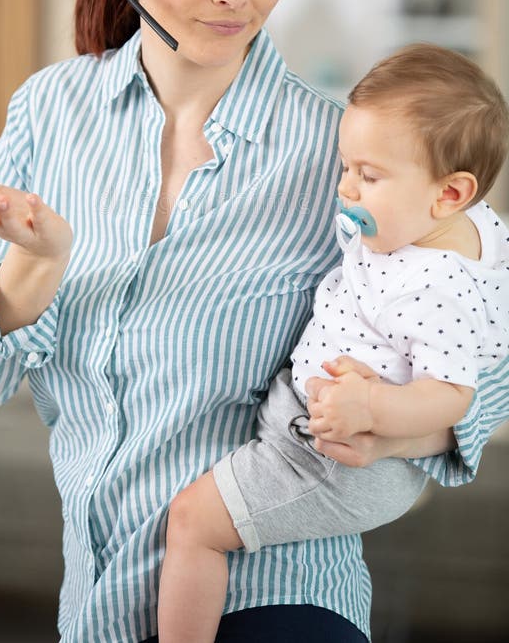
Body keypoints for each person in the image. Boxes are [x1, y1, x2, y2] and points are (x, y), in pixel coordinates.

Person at [0, 0, 509, 643]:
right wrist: (36, 268)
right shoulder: (51, 110)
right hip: (104, 603)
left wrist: (387, 426)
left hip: (277, 588)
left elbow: (483, 344)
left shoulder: (338, 153)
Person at [156, 43, 509, 642]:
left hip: (329, 457)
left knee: (191, 522)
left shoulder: (436, 284)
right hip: (323, 430)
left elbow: (452, 395)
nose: (345, 187)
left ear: (449, 193)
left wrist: (371, 411)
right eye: (346, 165)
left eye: (367, 175)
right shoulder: (457, 225)